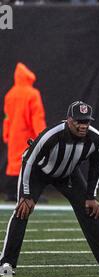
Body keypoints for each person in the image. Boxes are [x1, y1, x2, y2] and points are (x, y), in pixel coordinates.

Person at [0, 101, 99, 276]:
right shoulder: (52, 135)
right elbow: (29, 160)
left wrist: (91, 196)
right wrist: (26, 194)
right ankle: (6, 263)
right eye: (78, 121)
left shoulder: (94, 138)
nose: (83, 126)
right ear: (68, 120)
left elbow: (97, 166)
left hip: (68, 174)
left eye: (86, 121)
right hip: (38, 171)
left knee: (91, 210)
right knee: (22, 211)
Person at [2, 62, 46, 202]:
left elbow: (7, 117)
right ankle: (30, 192)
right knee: (31, 162)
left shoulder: (10, 95)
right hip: (28, 135)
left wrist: (6, 133)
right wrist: (42, 135)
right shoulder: (32, 94)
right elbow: (37, 117)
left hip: (14, 134)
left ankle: (10, 192)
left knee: (14, 163)